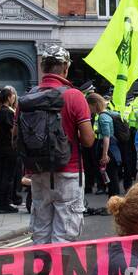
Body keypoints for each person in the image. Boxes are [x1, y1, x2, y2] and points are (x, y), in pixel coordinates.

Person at [23, 47, 94, 245]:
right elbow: (88, 140)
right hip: (68, 172)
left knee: (41, 233)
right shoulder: (74, 96)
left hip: (38, 173)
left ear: (43, 67)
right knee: (65, 236)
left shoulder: (28, 97)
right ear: (65, 67)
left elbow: (16, 138)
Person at [0, 87, 20, 213]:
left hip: (0, 148)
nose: (14, 98)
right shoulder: (7, 112)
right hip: (9, 148)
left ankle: (4, 203)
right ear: (8, 98)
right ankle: (5, 204)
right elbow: (12, 131)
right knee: (8, 177)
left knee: (3, 176)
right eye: (12, 95)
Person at [88, 92, 122, 199]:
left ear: (94, 104)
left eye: (89, 106)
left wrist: (104, 154)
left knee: (111, 178)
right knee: (111, 177)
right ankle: (113, 203)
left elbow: (106, 137)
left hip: (108, 149)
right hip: (111, 148)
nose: (89, 109)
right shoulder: (107, 114)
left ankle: (114, 203)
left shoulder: (102, 117)